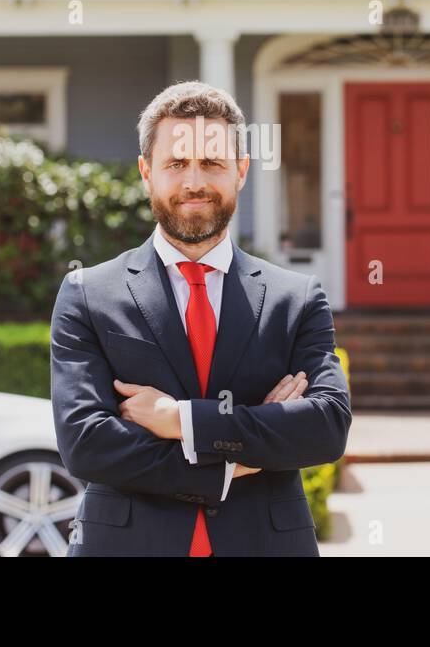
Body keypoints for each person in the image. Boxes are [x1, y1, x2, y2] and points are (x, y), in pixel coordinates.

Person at [50, 80, 352, 556]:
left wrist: (179, 420)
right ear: (147, 173)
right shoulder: (89, 295)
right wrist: (236, 459)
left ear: (241, 171)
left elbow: (325, 427)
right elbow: (87, 443)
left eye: (211, 163)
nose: (194, 182)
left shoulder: (296, 297)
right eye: (176, 164)